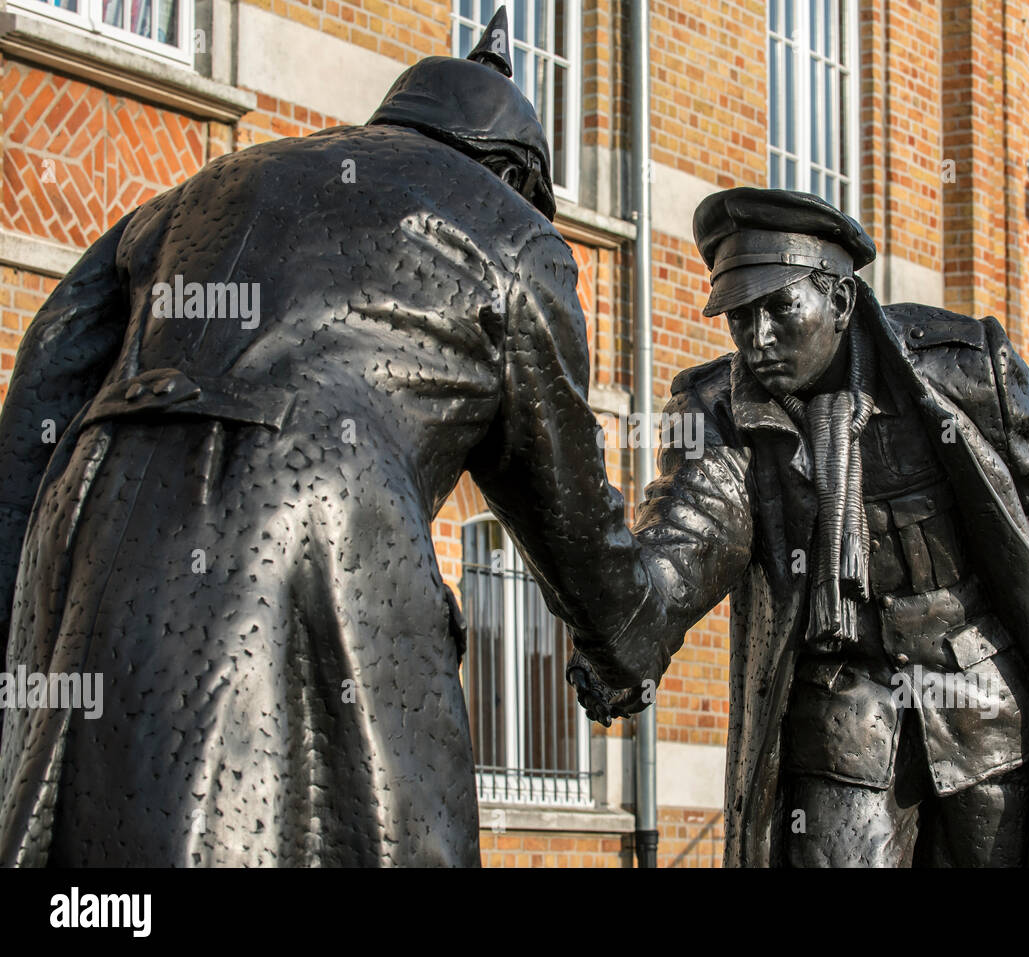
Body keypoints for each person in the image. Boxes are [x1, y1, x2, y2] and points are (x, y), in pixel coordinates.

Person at [0, 10, 661, 866]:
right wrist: (625, 634)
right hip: (316, 521)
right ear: (511, 175)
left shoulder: (208, 185)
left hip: (99, 510)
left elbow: (48, 371)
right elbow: (569, 510)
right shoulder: (512, 231)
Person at [569, 187, 1029, 867]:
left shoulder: (962, 367)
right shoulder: (721, 414)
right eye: (739, 318)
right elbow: (689, 536)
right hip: (842, 711)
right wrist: (622, 637)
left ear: (841, 301)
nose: (757, 340)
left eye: (777, 309)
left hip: (982, 692)